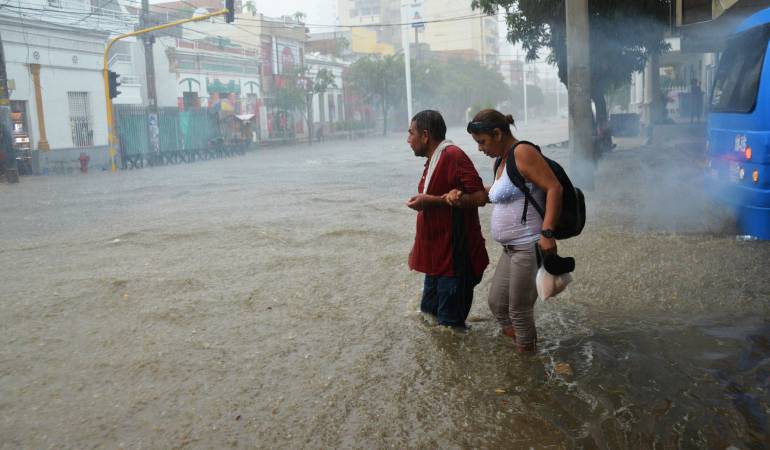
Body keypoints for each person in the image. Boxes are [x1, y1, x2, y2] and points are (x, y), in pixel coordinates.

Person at [448, 109, 563, 353]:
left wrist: (548, 233)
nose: (480, 148)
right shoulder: (501, 160)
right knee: (497, 304)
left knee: (519, 311)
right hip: (510, 250)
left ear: (498, 133)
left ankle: (529, 369)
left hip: (528, 246)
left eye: (482, 142)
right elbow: (499, 194)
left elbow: (554, 188)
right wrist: (463, 196)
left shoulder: (523, 152)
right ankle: (525, 348)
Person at [406, 110, 489, 329]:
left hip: (455, 261)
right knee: (428, 318)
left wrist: (431, 201)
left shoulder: (453, 155)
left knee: (451, 329)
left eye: (411, 133)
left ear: (425, 135)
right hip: (436, 260)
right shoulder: (433, 160)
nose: (408, 140)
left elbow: (480, 197)